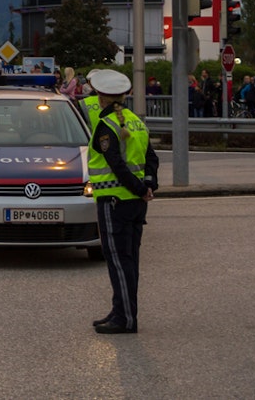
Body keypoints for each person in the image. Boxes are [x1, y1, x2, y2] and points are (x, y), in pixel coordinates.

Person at [86, 69, 158, 335]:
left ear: (100, 97)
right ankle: (121, 310)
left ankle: (125, 318)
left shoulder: (106, 125)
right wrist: (148, 186)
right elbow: (152, 159)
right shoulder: (135, 121)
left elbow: (116, 164)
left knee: (118, 260)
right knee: (129, 260)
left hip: (114, 201)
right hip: (135, 203)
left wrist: (140, 188)